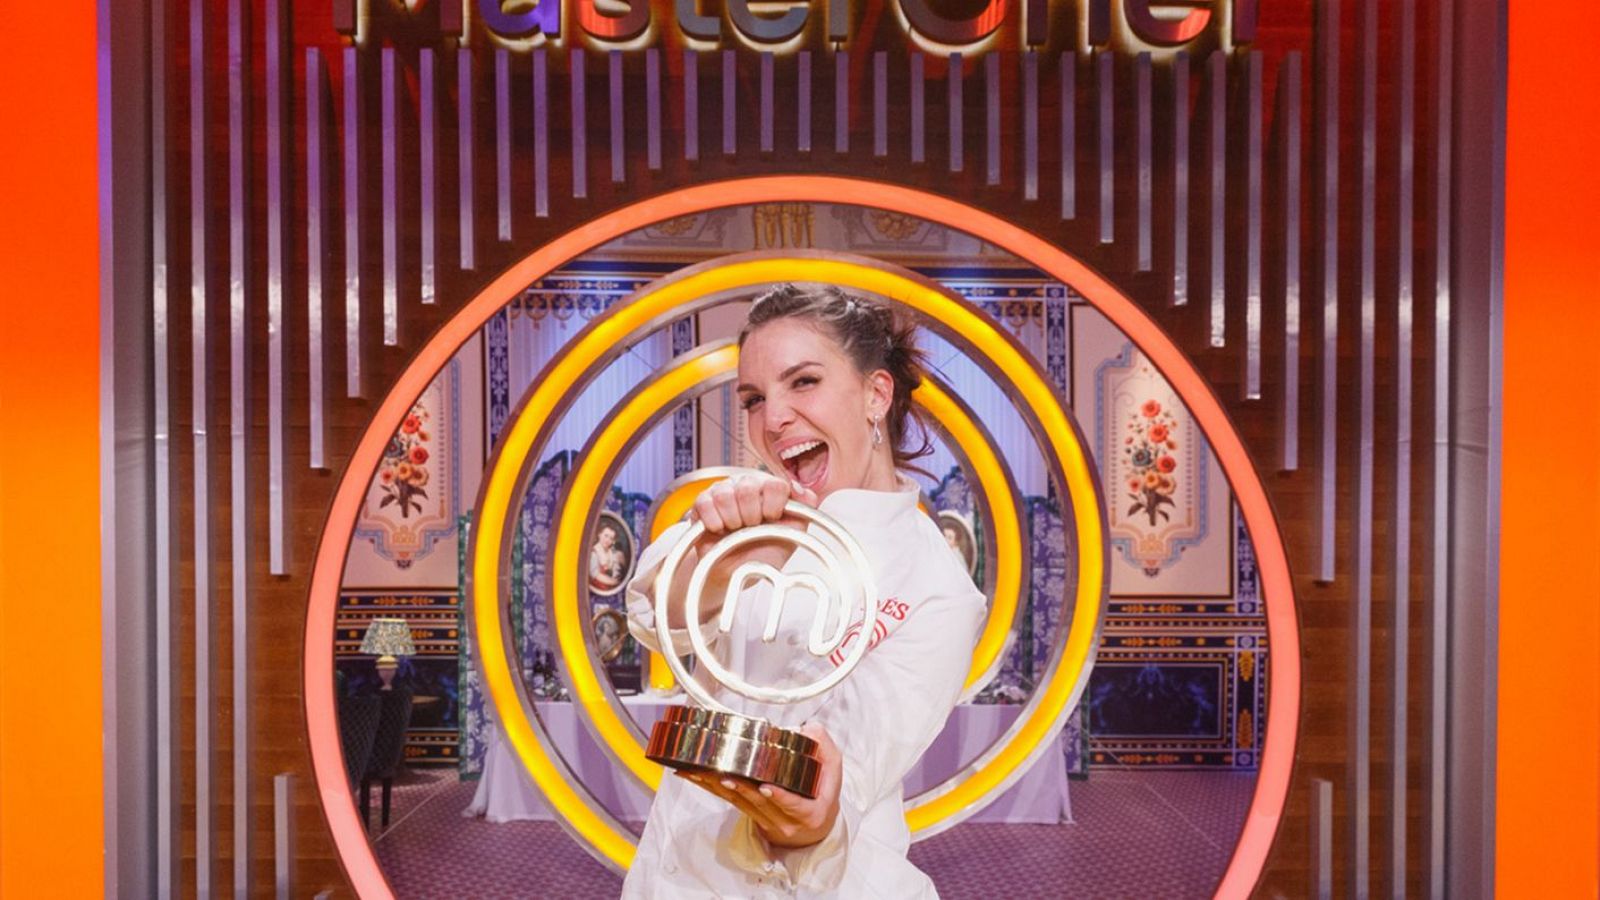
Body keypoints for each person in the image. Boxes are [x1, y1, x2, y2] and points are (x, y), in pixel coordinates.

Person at [622, 284, 986, 898]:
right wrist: (722, 556)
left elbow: (856, 768)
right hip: (671, 871)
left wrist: (807, 822)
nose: (773, 418)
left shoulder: (938, 589)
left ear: (876, 394)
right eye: (754, 398)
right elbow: (650, 615)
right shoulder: (746, 511)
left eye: (804, 382)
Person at [589, 522, 626, 593]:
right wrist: (615, 582)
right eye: (606, 536)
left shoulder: (613, 553)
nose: (607, 540)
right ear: (599, 534)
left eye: (611, 538)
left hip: (612, 590)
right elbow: (596, 575)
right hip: (597, 590)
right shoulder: (594, 553)